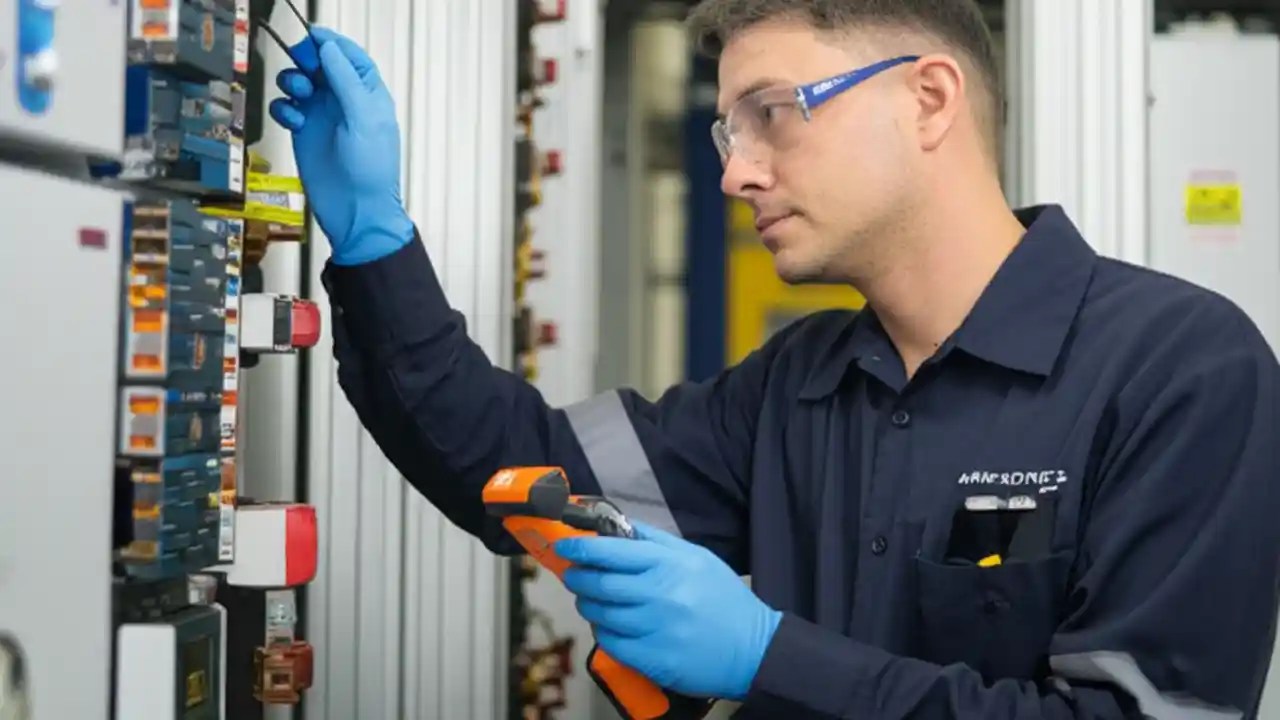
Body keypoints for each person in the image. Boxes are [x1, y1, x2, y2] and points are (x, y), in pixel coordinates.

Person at [269, 0, 1280, 717]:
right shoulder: (797, 384)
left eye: (773, 114)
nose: (735, 172)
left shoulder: (1178, 369)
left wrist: (771, 659)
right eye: (723, 129)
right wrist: (371, 238)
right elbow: (514, 466)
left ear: (928, 100)